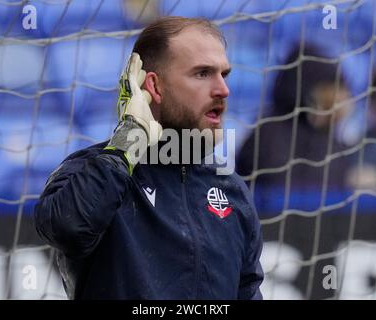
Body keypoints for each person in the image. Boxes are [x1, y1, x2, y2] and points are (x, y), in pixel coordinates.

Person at [34, 17, 264, 300]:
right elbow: (66, 227)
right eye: (203, 73)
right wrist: (130, 138)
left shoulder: (232, 191)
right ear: (154, 87)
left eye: (223, 75)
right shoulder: (96, 169)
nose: (222, 90)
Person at [236, 44, 355, 215]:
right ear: (310, 92)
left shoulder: (332, 142)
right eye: (332, 92)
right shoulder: (269, 136)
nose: (343, 102)